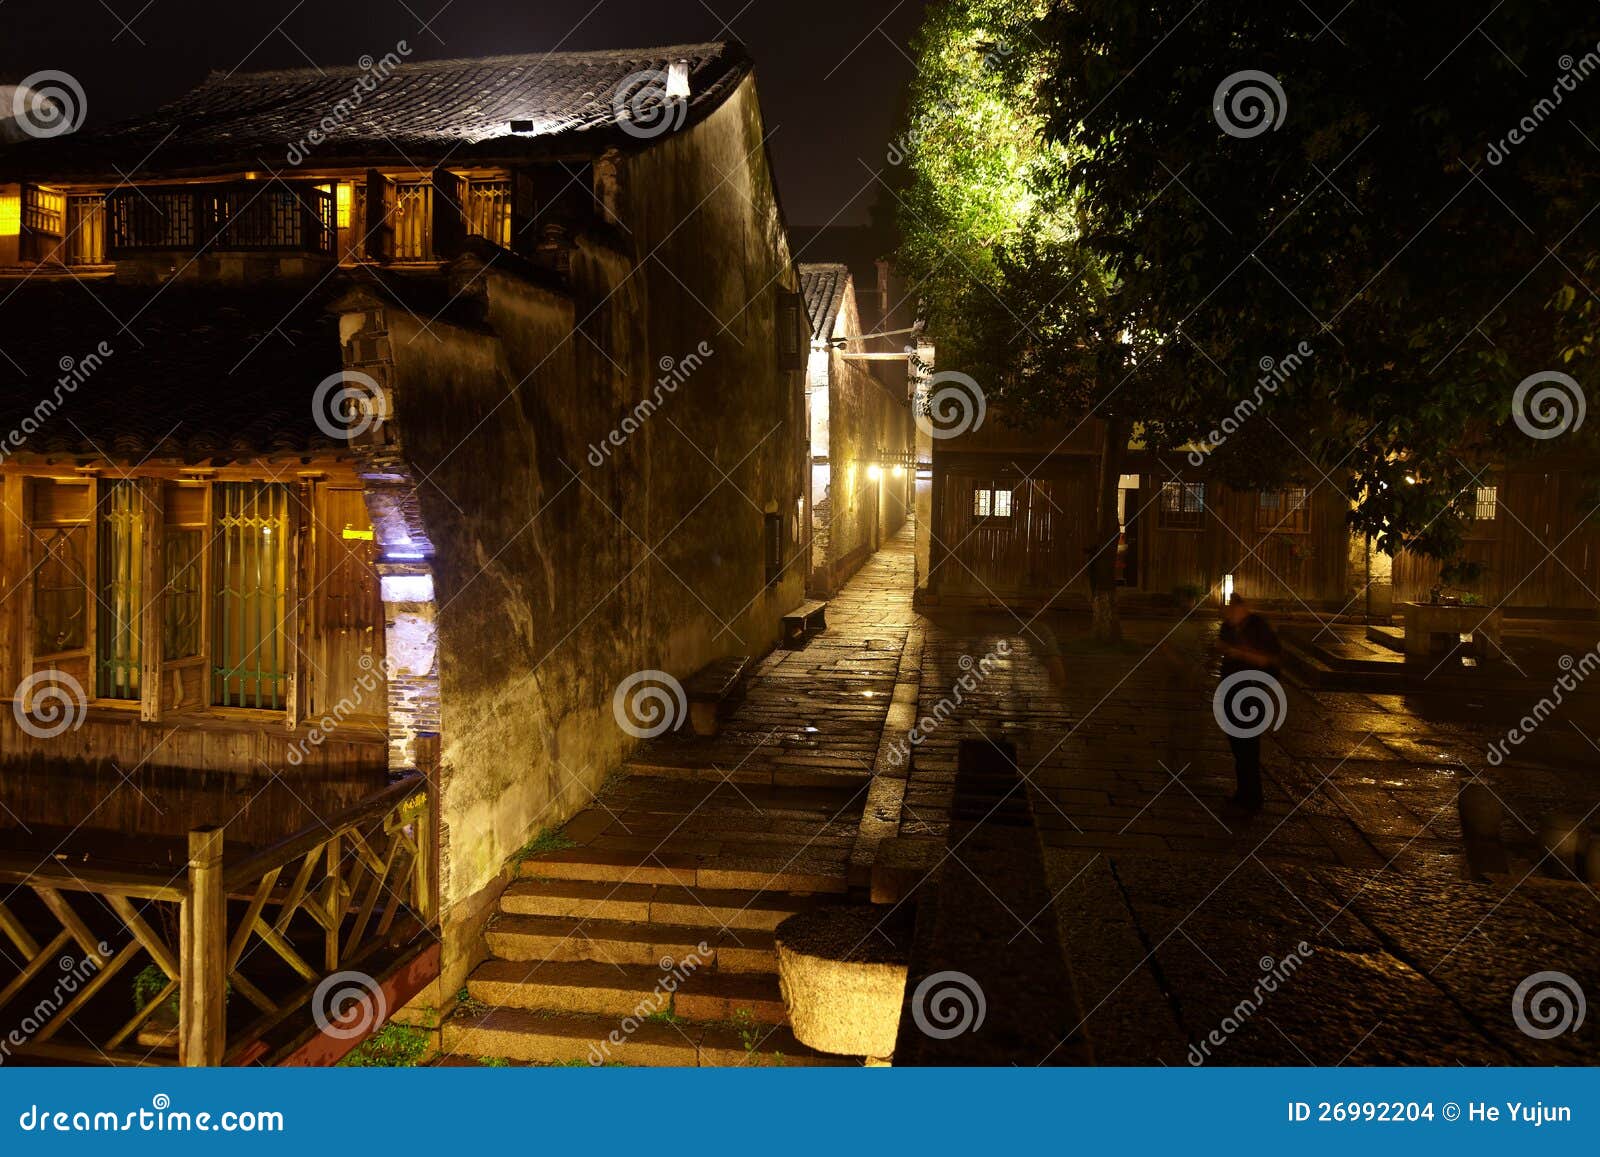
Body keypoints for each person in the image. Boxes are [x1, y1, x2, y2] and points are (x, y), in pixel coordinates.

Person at [1217, 594, 1281, 815]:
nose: (1228, 615)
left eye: (1231, 610)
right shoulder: (1228, 627)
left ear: (1242, 608)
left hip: (1252, 692)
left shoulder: (1258, 627)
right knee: (1236, 745)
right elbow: (1221, 648)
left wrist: (1240, 653)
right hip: (1230, 691)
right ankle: (1243, 792)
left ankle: (1253, 797)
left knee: (1248, 747)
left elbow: (1269, 660)